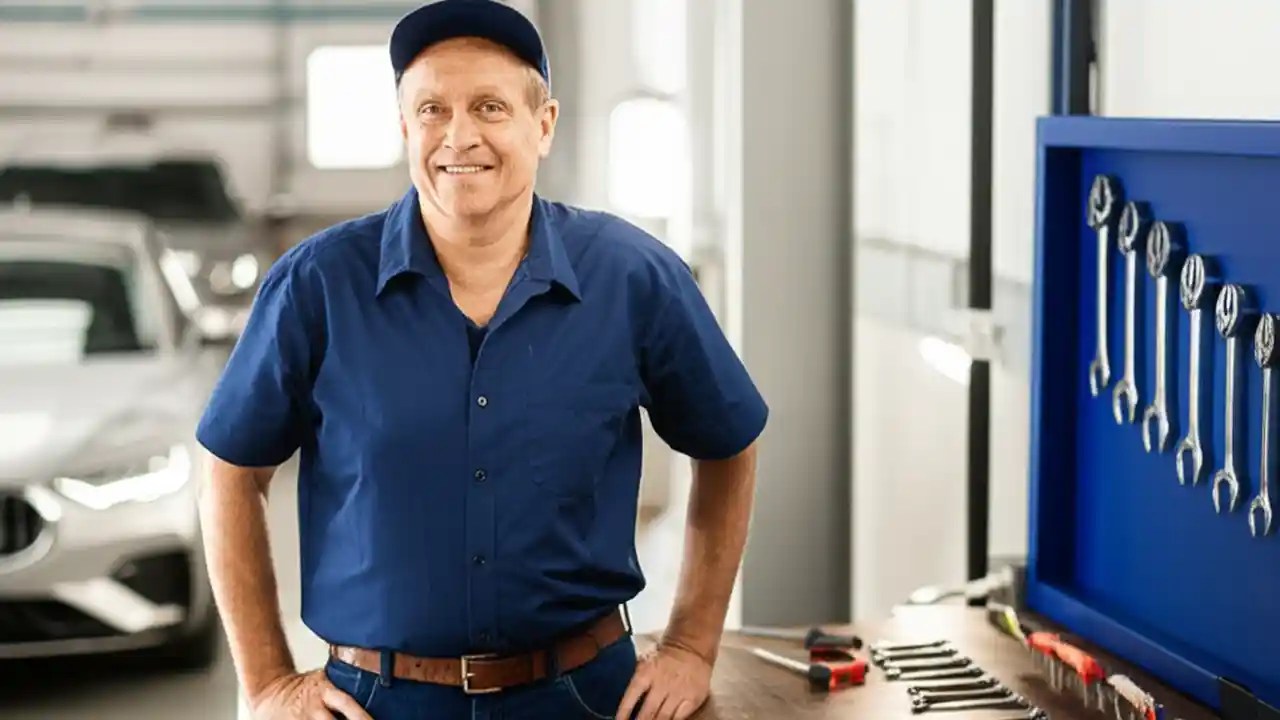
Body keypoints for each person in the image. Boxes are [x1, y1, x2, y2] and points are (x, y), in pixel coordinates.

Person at [195, 1, 768, 718]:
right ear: (405, 128)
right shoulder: (318, 285)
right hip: (376, 704)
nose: (458, 136)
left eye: (490, 107)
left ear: (544, 125)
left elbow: (729, 444)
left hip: (584, 698)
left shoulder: (633, 277)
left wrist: (691, 644)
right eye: (432, 109)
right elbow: (229, 471)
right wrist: (269, 682)